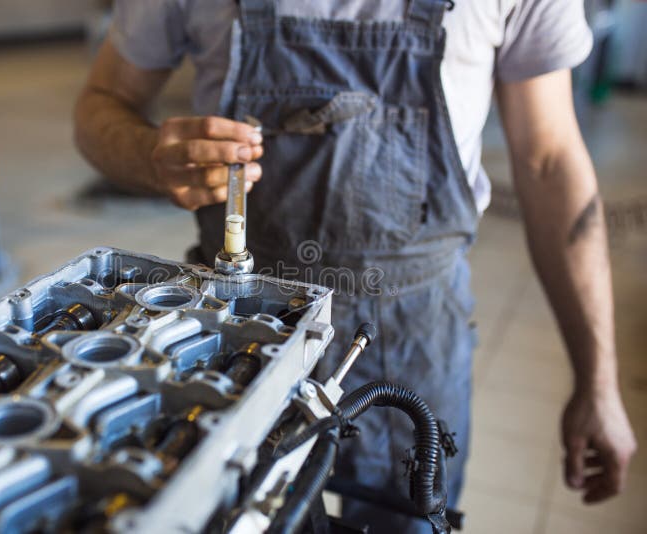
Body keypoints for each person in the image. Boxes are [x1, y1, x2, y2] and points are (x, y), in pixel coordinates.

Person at [74, 1, 637, 531]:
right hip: (241, 325)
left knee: (410, 516)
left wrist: (598, 380)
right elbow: (100, 103)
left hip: (419, 335)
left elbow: (548, 159)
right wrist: (152, 158)